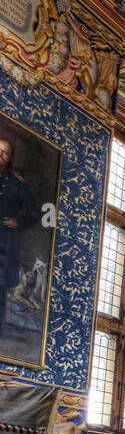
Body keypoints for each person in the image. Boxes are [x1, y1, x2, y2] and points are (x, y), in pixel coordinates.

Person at [0, 136, 38, 334]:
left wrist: (18, 222)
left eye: (5, 152)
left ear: (10, 157)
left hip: (5, 246)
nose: (0, 155)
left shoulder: (17, 184)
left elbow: (34, 212)